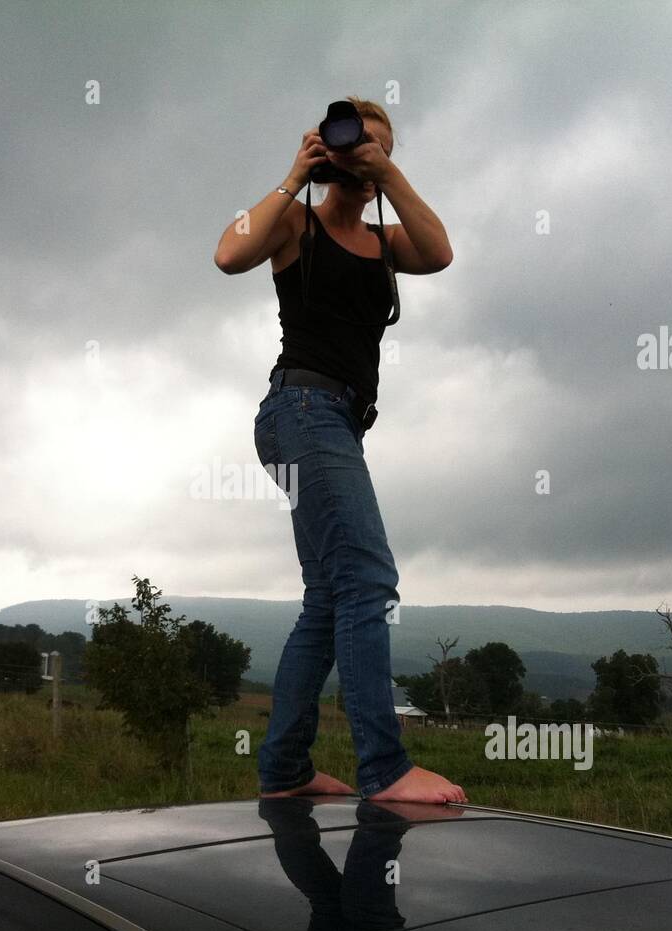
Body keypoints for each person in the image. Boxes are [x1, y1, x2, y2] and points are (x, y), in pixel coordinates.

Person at [213, 96, 467, 804]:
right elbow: (229, 252)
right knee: (368, 577)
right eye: (350, 143)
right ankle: (384, 768)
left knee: (327, 596)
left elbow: (441, 251)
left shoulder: (386, 243)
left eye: (374, 145)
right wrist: (295, 175)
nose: (359, 154)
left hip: (335, 422)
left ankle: (285, 769)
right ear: (323, 150)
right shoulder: (297, 224)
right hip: (302, 408)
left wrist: (389, 173)